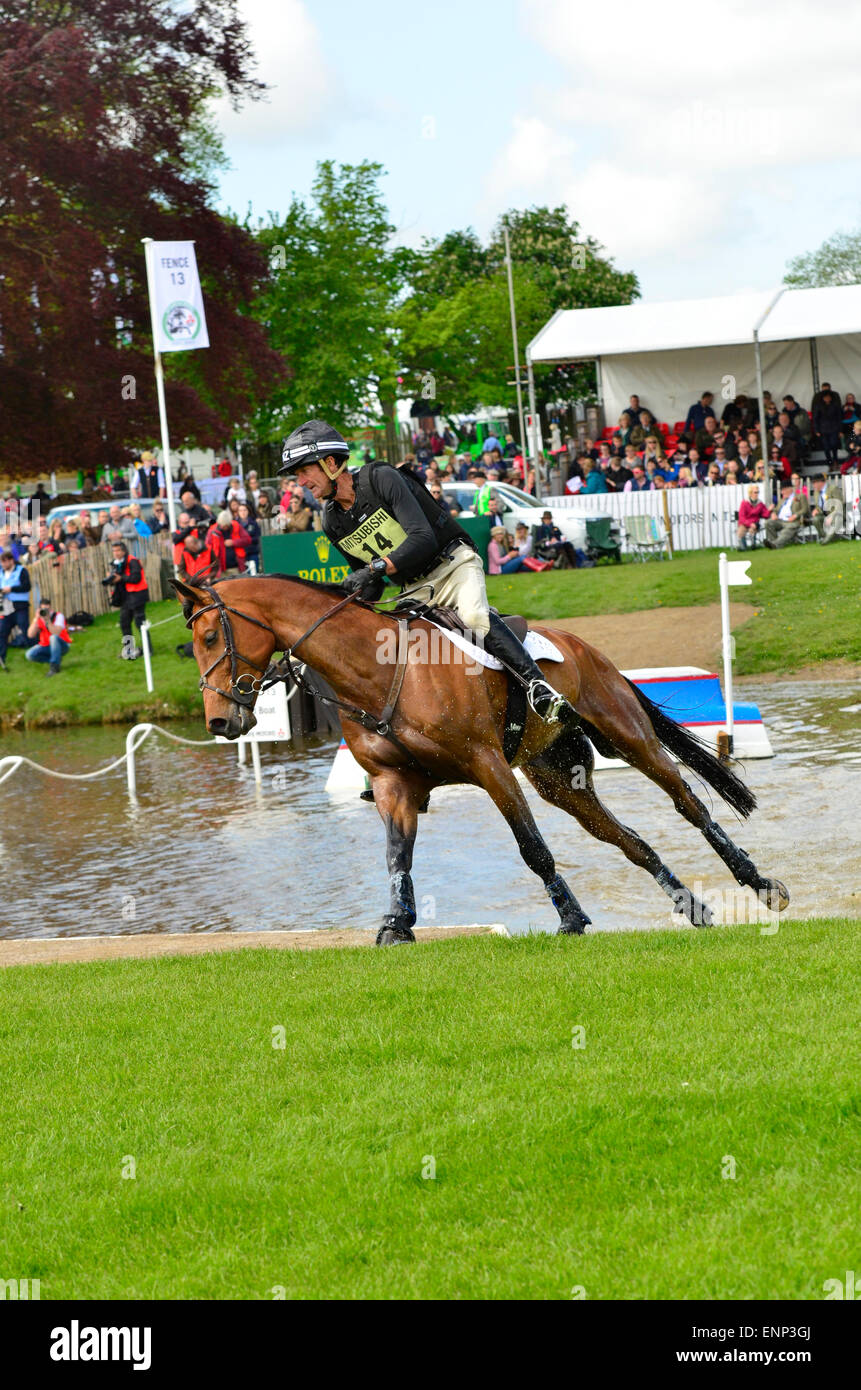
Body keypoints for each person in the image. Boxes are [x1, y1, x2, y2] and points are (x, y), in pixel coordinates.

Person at [278, 418, 578, 726]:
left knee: (474, 619)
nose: (300, 482)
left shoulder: (380, 478)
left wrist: (374, 568)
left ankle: (539, 687)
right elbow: (372, 587)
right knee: (397, 649)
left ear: (330, 463)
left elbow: (422, 538)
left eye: (303, 471)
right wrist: (340, 596)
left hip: (453, 565)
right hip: (415, 590)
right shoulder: (332, 522)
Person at [102, 541, 149, 658]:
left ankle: (149, 650)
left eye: (118, 550)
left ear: (124, 551)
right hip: (126, 597)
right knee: (124, 623)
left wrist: (120, 578)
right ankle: (129, 651)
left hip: (137, 596)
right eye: (114, 551)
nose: (116, 553)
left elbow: (136, 578)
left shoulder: (132, 561)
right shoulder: (116, 563)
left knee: (140, 624)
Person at [0, 549, 32, 670]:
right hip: (6, 607)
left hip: (20, 607)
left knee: (25, 629)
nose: (3, 565)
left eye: (5, 562)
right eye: (2, 562)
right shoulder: (1, 573)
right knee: (2, 633)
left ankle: (33, 652)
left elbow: (27, 586)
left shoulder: (21, 571)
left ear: (11, 561)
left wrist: (11, 589)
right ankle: (1, 658)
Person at [24, 599, 72, 675]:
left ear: (50, 608)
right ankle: (55, 659)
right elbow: (30, 635)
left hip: (62, 645)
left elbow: (56, 633)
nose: (45, 611)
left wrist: (48, 621)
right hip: (46, 646)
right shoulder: (38, 618)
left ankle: (54, 667)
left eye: (47, 609)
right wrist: (36, 619)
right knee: (29, 655)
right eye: (43, 609)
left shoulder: (58, 616)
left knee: (53, 637)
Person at [764, 475, 810, 548]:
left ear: (789, 489)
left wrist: (795, 515)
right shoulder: (782, 500)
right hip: (780, 520)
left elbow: (805, 509)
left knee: (788, 528)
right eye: (781, 490)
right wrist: (773, 513)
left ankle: (775, 544)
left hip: (793, 521)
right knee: (768, 523)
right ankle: (773, 542)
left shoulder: (800, 496)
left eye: (783, 490)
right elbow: (776, 510)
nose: (782, 492)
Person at [813, 389, 842, 466]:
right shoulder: (818, 406)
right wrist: (816, 430)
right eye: (825, 397)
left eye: (828, 397)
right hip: (823, 430)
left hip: (834, 428)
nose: (827, 399)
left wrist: (840, 430)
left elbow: (839, 418)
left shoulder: (835, 405)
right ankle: (829, 463)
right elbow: (815, 419)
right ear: (822, 398)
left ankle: (835, 460)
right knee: (826, 447)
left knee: (834, 444)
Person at [237, 503, 261, 571]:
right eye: (240, 510)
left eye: (244, 510)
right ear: (238, 512)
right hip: (240, 554)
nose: (243, 512)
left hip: (252, 552)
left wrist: (247, 540)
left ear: (248, 511)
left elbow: (257, 537)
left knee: (254, 573)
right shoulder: (235, 524)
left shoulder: (253, 523)